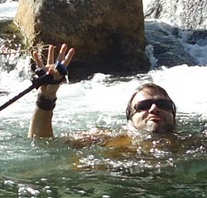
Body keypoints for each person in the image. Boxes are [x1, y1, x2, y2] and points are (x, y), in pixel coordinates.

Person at [28, 43, 181, 146]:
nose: (154, 108)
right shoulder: (108, 139)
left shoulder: (192, 144)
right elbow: (42, 144)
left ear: (174, 116)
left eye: (163, 104)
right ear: (129, 120)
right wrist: (46, 98)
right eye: (144, 105)